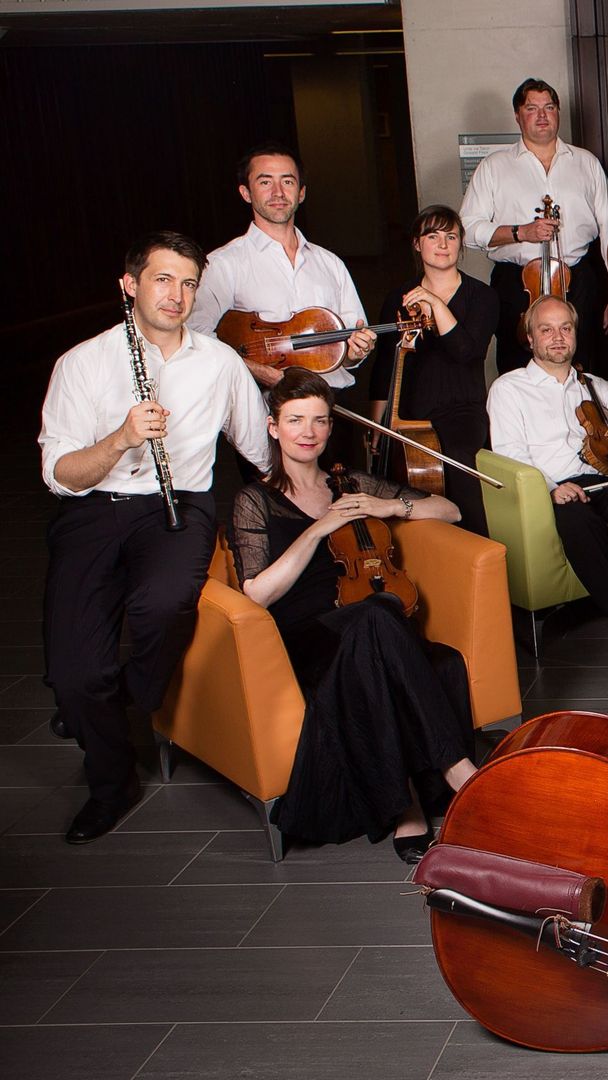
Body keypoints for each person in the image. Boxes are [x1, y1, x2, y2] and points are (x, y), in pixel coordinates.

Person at [40, 231, 271, 844]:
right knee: (73, 675)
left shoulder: (220, 361)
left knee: (162, 607)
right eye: (163, 279)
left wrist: (302, 443)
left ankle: (117, 702)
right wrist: (119, 438)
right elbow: (60, 476)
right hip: (90, 510)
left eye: (189, 282)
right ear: (130, 284)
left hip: (178, 508)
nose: (177, 295)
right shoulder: (82, 363)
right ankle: (111, 784)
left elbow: (257, 448)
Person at [229, 370, 477, 863]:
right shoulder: (253, 500)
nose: (309, 431)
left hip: (370, 627)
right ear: (273, 427)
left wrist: (388, 506)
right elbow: (258, 593)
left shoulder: (350, 482)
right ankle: (462, 776)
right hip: (311, 637)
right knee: (379, 616)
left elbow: (451, 510)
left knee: (380, 616)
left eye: (319, 420)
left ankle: (407, 806)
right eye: (295, 419)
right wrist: (318, 530)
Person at [487, 295, 608, 681]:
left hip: (603, 482)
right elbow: (508, 454)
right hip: (553, 492)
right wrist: (549, 488)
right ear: (530, 338)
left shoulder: (587, 383)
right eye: (547, 329)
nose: (558, 337)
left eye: (566, 328)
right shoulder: (509, 389)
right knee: (577, 519)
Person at [459, 77, 608, 377]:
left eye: (549, 107)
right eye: (532, 108)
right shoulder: (494, 166)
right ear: (518, 116)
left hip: (580, 280)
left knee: (583, 366)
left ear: (558, 112)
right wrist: (521, 232)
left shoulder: (586, 163)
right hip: (516, 284)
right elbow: (467, 229)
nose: (542, 115)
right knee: (517, 366)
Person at [189, 142, 375, 389]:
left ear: (301, 193)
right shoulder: (223, 263)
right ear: (246, 193)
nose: (278, 192)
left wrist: (355, 353)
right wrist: (258, 372)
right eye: (265, 182)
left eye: (287, 182)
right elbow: (196, 337)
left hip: (330, 402)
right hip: (263, 407)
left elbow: (352, 342)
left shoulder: (330, 263)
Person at [365, 205, 498, 534]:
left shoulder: (482, 297)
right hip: (409, 412)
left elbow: (467, 352)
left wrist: (436, 304)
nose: (442, 244)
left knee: (456, 465)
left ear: (460, 243)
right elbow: (385, 365)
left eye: (451, 236)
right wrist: (379, 424)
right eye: (432, 236)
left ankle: (477, 552)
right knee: (395, 485)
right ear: (416, 244)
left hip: (462, 412)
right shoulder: (398, 297)